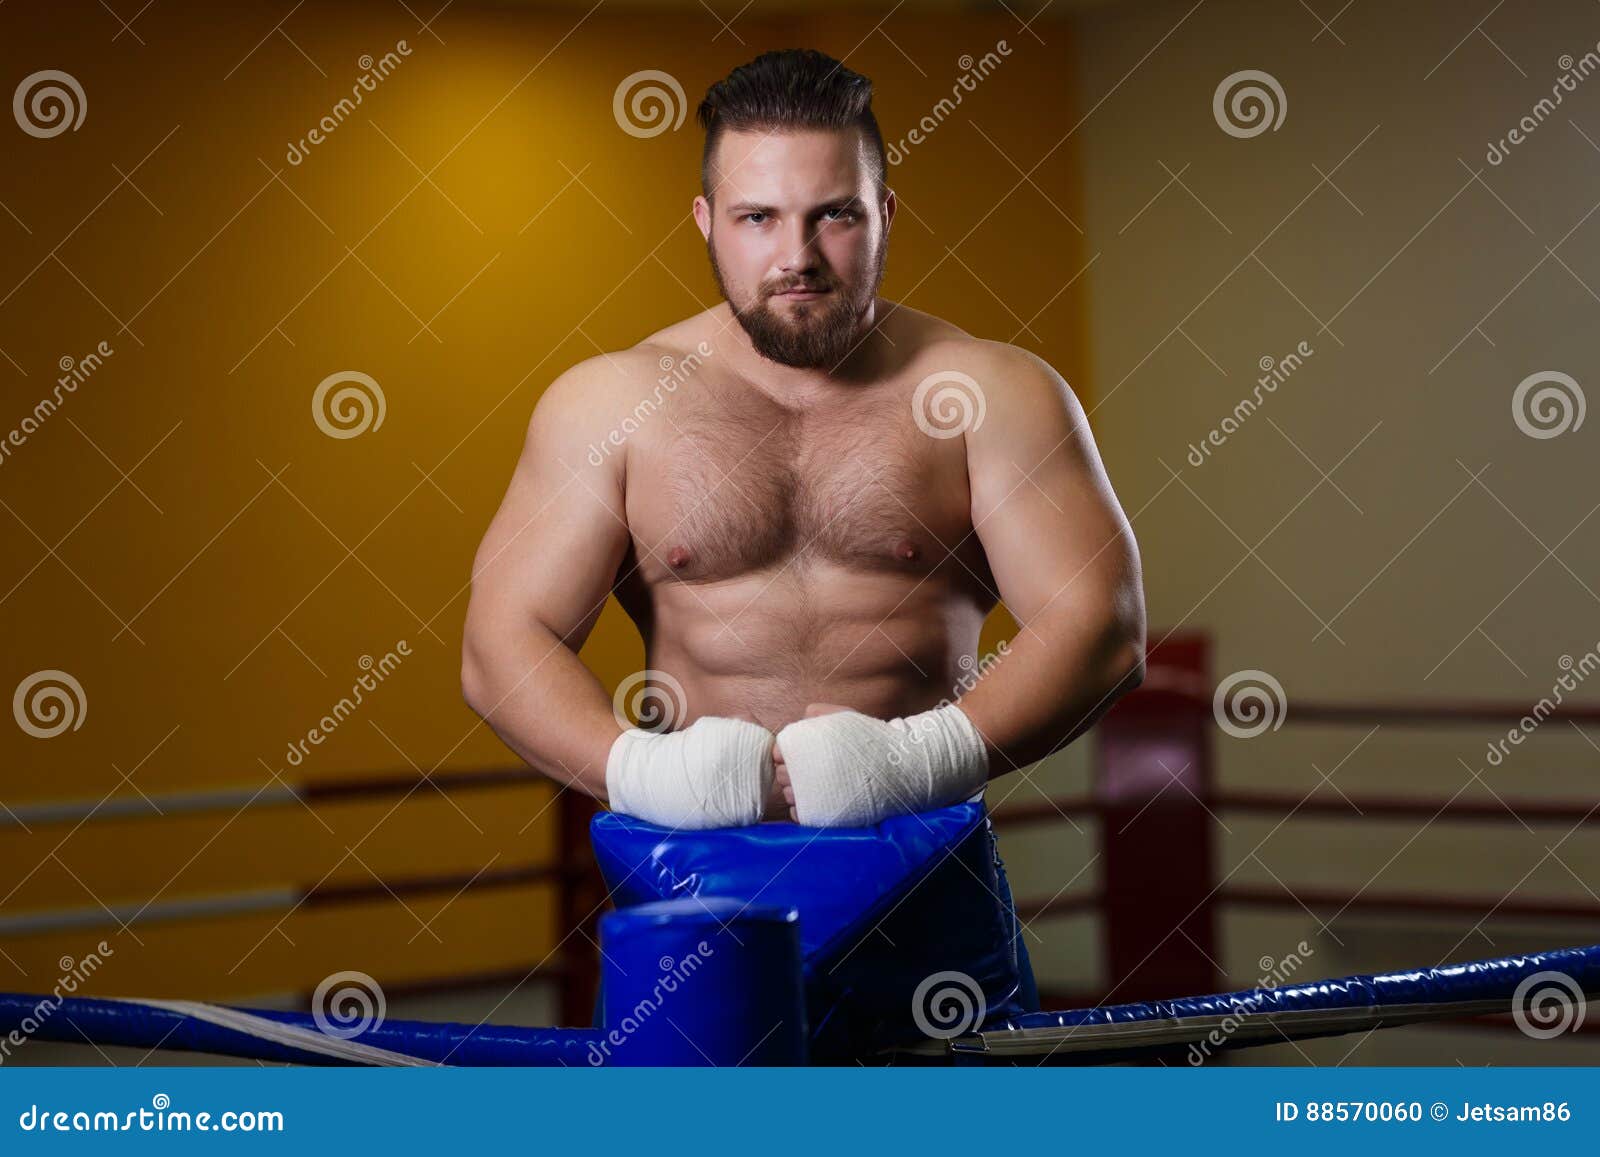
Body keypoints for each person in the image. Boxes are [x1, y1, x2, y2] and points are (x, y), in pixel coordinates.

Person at [461, 48, 1145, 830]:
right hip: (697, 875)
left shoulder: (992, 396)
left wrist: (914, 762)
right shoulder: (613, 405)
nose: (797, 257)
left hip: (920, 865)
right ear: (706, 222)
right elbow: (501, 643)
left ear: (884, 213)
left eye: (835, 214)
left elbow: (1102, 627)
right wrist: (645, 774)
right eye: (758, 217)